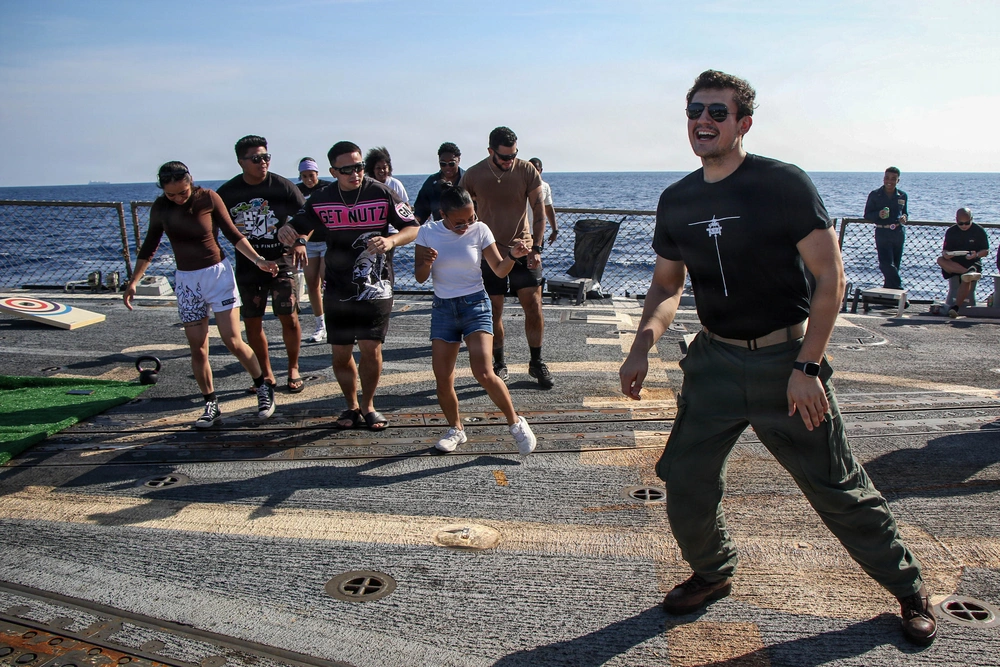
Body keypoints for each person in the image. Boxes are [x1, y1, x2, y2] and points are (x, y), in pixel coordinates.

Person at [618, 70, 936, 646]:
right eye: (695, 111)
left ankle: (910, 587)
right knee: (684, 478)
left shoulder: (783, 184)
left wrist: (808, 366)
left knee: (836, 487)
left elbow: (829, 277)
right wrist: (643, 344)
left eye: (718, 112)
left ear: (743, 123)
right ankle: (713, 573)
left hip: (786, 361)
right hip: (713, 362)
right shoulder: (677, 200)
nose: (703, 122)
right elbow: (667, 284)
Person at [124, 162, 280, 427]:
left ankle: (263, 388)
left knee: (232, 340)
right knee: (198, 348)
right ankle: (210, 404)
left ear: (190, 181)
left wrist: (259, 260)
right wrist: (134, 281)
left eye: (182, 193)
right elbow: (150, 245)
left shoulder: (208, 197)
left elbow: (233, 234)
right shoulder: (161, 208)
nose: (177, 199)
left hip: (217, 275)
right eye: (171, 194)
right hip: (187, 281)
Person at [279, 141, 419, 430]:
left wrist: (391, 240)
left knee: (371, 348)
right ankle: (351, 406)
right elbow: (301, 223)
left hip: (376, 284)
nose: (355, 174)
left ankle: (368, 405)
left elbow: (413, 227)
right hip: (338, 286)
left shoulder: (381, 193)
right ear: (333, 171)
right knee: (341, 352)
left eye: (359, 167)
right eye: (347, 170)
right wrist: (290, 232)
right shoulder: (322, 197)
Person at [413, 186, 537, 455]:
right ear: (442, 214)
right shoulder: (427, 232)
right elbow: (420, 277)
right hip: (443, 308)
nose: (466, 225)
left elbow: (499, 270)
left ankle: (516, 423)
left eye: (471, 219)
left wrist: (513, 256)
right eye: (460, 222)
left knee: (483, 371)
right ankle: (456, 430)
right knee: (443, 378)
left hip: (475, 304)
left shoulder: (480, 230)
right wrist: (426, 262)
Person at [460, 127, 552, 389]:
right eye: (504, 157)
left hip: (523, 248)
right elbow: (460, 211)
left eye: (513, 155)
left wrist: (537, 248)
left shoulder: (526, 170)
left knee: (533, 305)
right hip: (489, 252)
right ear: (491, 151)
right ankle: (499, 363)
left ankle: (536, 362)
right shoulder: (474, 175)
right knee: (494, 309)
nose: (509, 161)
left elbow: (538, 209)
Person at [217, 136, 308, 394]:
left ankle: (293, 367)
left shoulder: (282, 186)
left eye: (266, 157)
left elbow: (307, 216)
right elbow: (212, 225)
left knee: (288, 315)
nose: (263, 163)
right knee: (253, 321)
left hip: (281, 261)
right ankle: (266, 373)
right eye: (256, 159)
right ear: (241, 162)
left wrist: (301, 241)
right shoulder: (228, 193)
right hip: (249, 265)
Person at [296, 157, 331, 343]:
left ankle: (335, 321)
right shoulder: (297, 191)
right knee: (311, 283)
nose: (308, 179)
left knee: (328, 281)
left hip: (326, 241)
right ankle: (320, 325)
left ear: (317, 173)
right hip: (308, 243)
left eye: (311, 175)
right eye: (304, 176)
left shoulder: (326, 188)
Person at [936, 207, 989, 317]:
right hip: (954, 263)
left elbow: (985, 251)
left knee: (966, 278)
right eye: (961, 223)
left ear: (971, 219)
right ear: (956, 220)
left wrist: (977, 254)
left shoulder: (979, 230)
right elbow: (945, 249)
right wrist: (946, 253)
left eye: (967, 223)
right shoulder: (951, 231)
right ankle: (967, 272)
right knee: (940, 260)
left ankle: (956, 307)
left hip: (972, 262)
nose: (964, 226)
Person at [864, 167, 908, 289]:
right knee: (886, 264)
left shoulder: (902, 196)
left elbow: (905, 213)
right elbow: (867, 215)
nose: (890, 181)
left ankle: (889, 296)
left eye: (893, 179)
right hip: (882, 232)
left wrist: (904, 218)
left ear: (898, 180)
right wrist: (879, 214)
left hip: (898, 233)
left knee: (895, 265)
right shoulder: (875, 195)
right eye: (887, 178)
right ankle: (900, 290)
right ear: (883, 178)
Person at [414, 142, 464, 224]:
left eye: (451, 163)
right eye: (443, 164)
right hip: (441, 232)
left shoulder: (467, 179)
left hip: (466, 231)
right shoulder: (431, 182)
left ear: (458, 160)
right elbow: (421, 211)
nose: (447, 167)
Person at [527, 157, 558, 245]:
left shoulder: (545, 186)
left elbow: (548, 208)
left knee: (535, 257)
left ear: (540, 170)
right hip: (521, 233)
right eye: (530, 169)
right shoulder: (520, 186)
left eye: (535, 169)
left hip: (537, 233)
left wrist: (554, 230)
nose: (533, 172)